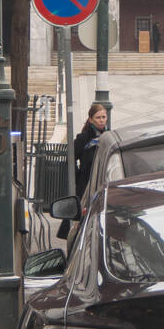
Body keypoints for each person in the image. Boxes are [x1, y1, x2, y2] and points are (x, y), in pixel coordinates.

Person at [57, 102, 108, 239]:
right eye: (98, 117)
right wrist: (78, 175)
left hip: (104, 182)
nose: (102, 120)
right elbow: (70, 158)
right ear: (91, 119)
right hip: (86, 184)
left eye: (104, 117)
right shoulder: (84, 138)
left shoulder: (109, 137)